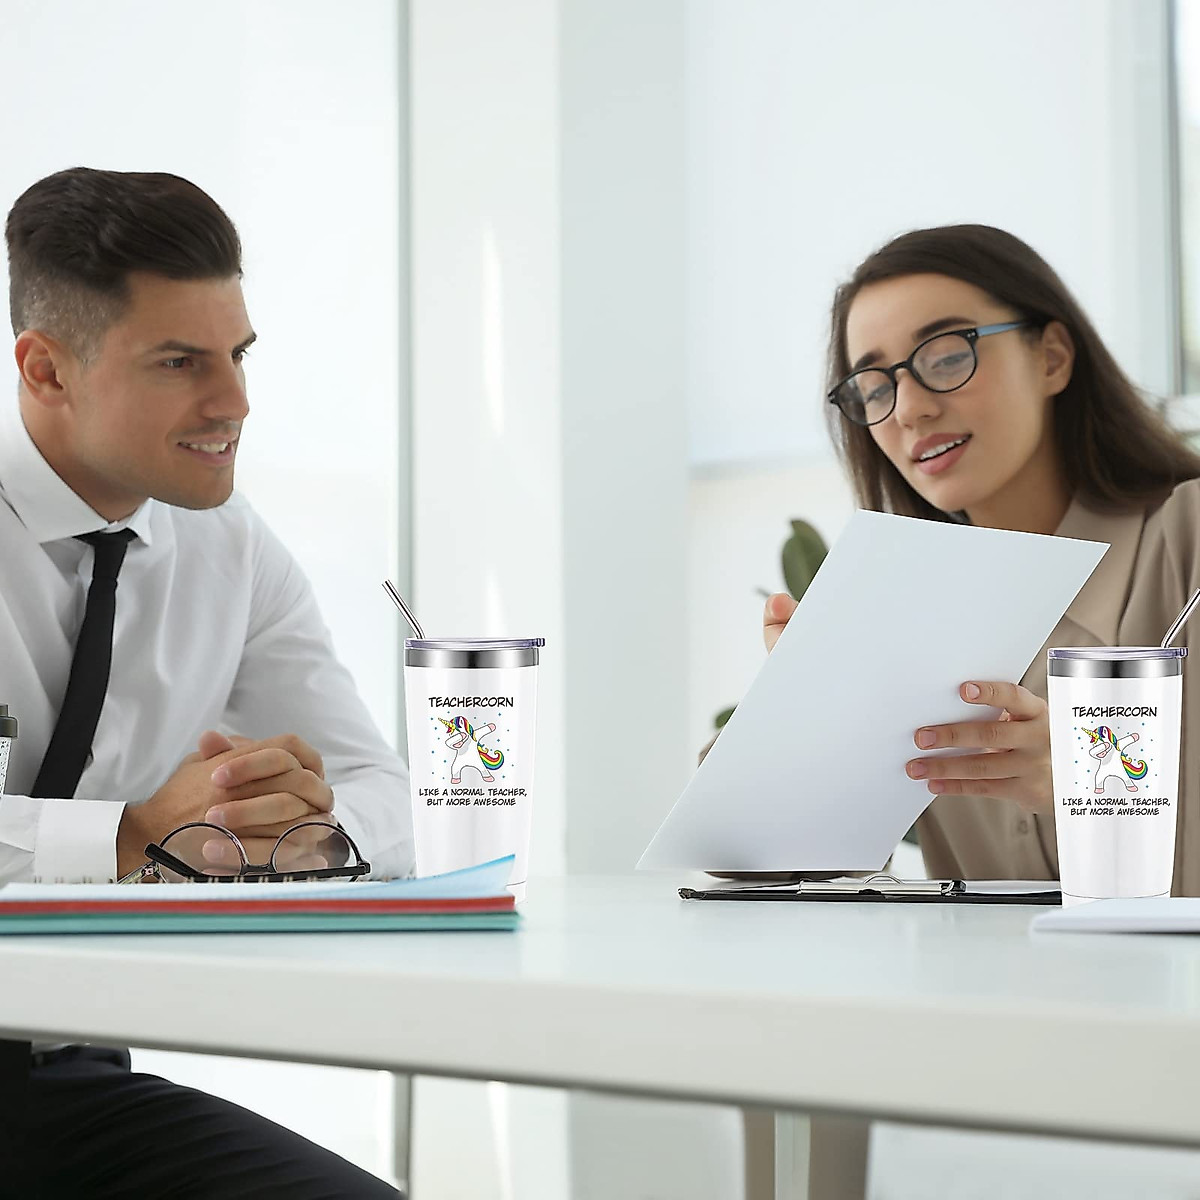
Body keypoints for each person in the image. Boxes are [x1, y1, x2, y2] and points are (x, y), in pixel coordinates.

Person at [1, 167, 408, 1195]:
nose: (234, 401)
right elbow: (143, 839)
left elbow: (380, 792)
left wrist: (293, 825)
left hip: (55, 1081)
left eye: (238, 354)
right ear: (46, 371)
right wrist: (136, 835)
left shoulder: (227, 544)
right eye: (182, 362)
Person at [762, 224, 1200, 893]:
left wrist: (1086, 781)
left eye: (944, 355)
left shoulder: (1188, 541)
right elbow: (760, 860)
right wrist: (808, 712)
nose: (908, 408)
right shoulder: (897, 613)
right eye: (874, 387)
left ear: (1052, 358)